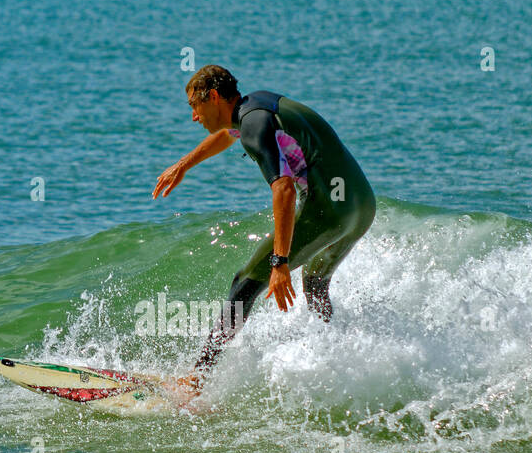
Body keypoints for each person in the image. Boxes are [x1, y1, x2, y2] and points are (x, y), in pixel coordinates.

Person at [152, 64, 376, 398]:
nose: (194, 117)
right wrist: (184, 165)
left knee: (245, 281)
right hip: (360, 207)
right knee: (315, 287)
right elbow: (229, 135)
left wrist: (279, 262)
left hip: (328, 209)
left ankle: (196, 382)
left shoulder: (253, 123)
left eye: (193, 107)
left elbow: (283, 188)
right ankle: (346, 361)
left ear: (213, 97)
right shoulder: (257, 108)